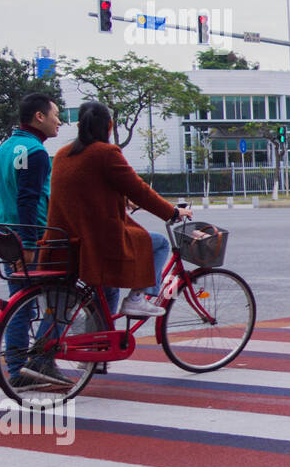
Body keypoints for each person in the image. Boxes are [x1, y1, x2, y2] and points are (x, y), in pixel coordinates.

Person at [46, 101, 192, 322]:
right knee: (160, 243)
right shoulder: (105, 152)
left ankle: (98, 349)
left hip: (64, 242)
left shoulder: (62, 154)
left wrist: (123, 200)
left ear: (79, 126)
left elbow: (87, 189)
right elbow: (139, 189)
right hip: (97, 243)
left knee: (108, 291)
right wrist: (172, 212)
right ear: (110, 125)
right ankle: (136, 298)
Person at [0, 93, 62, 381]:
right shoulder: (36, 152)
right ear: (39, 117)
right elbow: (28, 201)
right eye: (55, 115)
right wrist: (29, 245)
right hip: (28, 238)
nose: (59, 121)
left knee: (20, 301)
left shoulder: (5, 147)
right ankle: (31, 364)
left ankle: (18, 369)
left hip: (5, 234)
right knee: (54, 299)